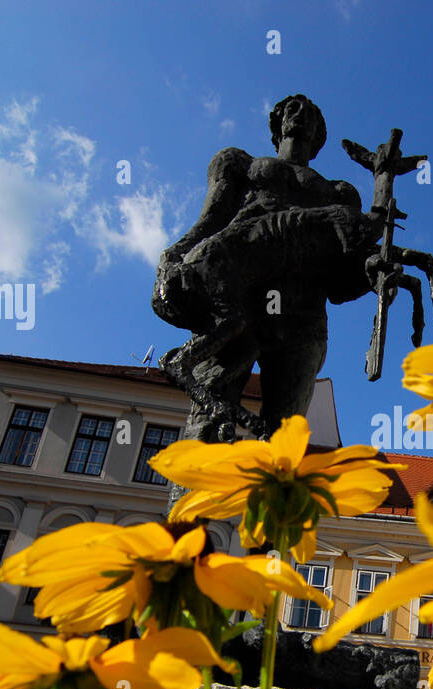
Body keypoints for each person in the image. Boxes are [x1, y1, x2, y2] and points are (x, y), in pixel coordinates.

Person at [152, 94, 383, 442]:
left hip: (303, 315)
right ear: (277, 124)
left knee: (284, 441)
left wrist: (375, 274)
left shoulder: (340, 194)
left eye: (311, 114)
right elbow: (210, 222)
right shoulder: (240, 164)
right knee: (208, 429)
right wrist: (172, 256)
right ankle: (193, 497)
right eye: (292, 109)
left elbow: (341, 283)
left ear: (320, 135)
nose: (301, 115)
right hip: (240, 296)